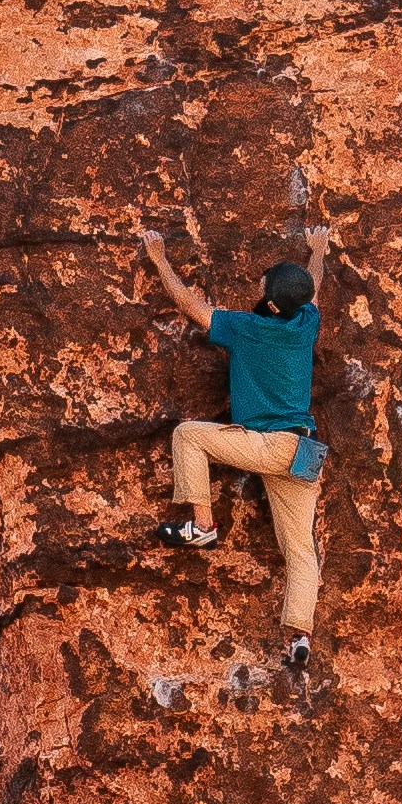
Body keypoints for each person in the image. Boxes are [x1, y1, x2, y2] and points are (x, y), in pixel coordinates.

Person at [135, 196, 340, 674]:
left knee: (189, 435)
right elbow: (314, 292)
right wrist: (319, 251)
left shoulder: (248, 328)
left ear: (270, 303)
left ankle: (203, 525)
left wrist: (159, 257)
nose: (259, 284)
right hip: (303, 451)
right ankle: (299, 635)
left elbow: (190, 304)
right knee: (300, 548)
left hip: (267, 446)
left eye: (264, 284)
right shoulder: (305, 323)